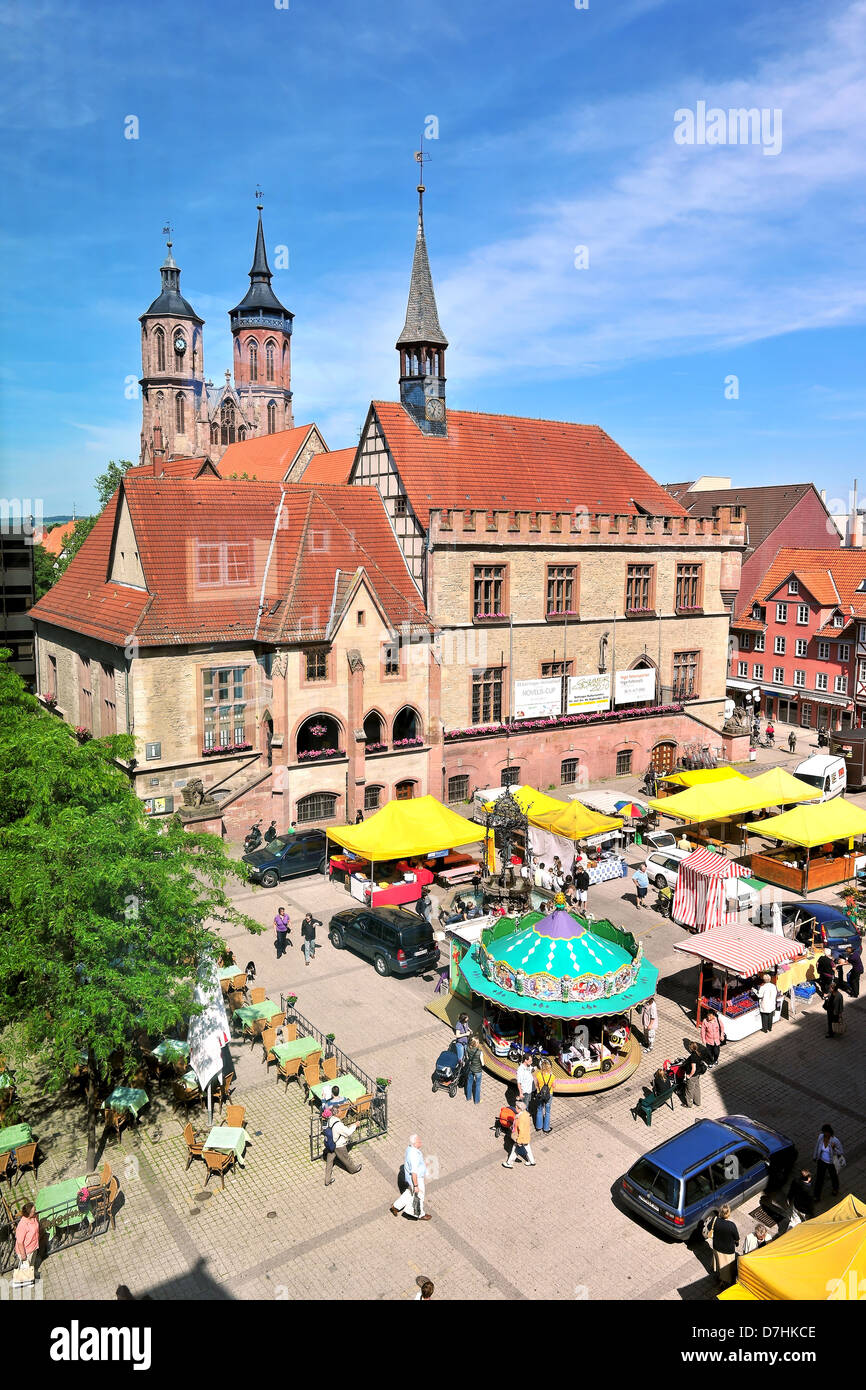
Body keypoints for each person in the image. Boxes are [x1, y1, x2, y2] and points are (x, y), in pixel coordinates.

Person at [390, 1135, 432, 1219]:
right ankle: (418, 1213)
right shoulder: (414, 1155)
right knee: (419, 1195)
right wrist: (416, 1186)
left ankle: (395, 1206)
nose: (421, 1142)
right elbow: (414, 1172)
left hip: (410, 1179)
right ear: (414, 1143)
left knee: (409, 1193)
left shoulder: (410, 1149)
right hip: (415, 1179)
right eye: (419, 1141)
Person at [323, 1107, 362, 1186]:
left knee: (329, 1162)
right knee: (346, 1158)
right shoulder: (338, 1124)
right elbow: (347, 1132)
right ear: (336, 1114)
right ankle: (353, 1169)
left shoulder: (330, 1119)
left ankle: (327, 1180)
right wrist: (355, 1125)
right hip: (338, 1146)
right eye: (340, 1111)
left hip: (331, 1144)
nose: (342, 1112)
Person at [711, 1204, 739, 1286]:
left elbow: (709, 1228)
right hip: (728, 1251)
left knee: (719, 1264)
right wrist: (737, 1243)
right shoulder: (731, 1225)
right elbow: (736, 1238)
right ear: (728, 1213)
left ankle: (720, 1278)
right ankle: (724, 1281)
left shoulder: (715, 1220)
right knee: (727, 1268)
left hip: (717, 1248)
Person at [813, 1125, 844, 1201]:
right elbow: (817, 1146)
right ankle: (816, 1196)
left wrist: (834, 1148)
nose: (825, 1134)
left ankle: (835, 1189)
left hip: (831, 1163)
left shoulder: (835, 1141)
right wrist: (815, 1156)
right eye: (824, 1132)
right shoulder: (821, 1137)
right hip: (821, 1161)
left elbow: (841, 1152)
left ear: (830, 1132)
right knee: (819, 1178)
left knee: (833, 1176)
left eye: (826, 1132)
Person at [502, 1100, 536, 1168]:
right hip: (526, 1136)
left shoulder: (521, 1118)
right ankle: (532, 1161)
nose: (515, 1108)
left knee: (515, 1149)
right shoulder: (525, 1114)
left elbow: (521, 1130)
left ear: (520, 1109)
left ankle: (509, 1163)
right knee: (527, 1148)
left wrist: (519, 1141)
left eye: (516, 1107)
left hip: (521, 1137)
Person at [14, 1203, 40, 1271]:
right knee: (26, 1269)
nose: (35, 1211)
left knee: (32, 1264)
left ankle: (31, 1274)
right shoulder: (22, 1225)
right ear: (29, 1213)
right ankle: (28, 1279)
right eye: (34, 1211)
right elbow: (20, 1242)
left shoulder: (33, 1217)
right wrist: (23, 1255)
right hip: (27, 1251)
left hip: (33, 1247)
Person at [533, 1057, 555, 1134]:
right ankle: (546, 1128)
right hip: (549, 1095)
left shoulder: (538, 1075)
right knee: (547, 1112)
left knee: (539, 1110)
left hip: (540, 1094)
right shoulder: (552, 1076)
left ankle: (538, 1127)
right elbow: (554, 1085)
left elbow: (536, 1085)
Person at [681, 1041, 704, 1108]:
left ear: (690, 1048)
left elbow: (693, 1069)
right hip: (698, 1074)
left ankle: (689, 1104)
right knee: (697, 1087)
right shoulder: (699, 1053)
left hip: (692, 1076)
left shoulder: (693, 1057)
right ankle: (698, 1102)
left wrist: (689, 1076)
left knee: (689, 1090)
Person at [464, 1035, 483, 1104]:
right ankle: (477, 1101)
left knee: (469, 1082)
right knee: (477, 1085)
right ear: (476, 1043)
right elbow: (483, 1064)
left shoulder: (468, 1048)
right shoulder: (479, 1052)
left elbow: (467, 1057)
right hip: (478, 1071)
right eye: (478, 1042)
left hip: (471, 1068)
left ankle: (468, 1097)